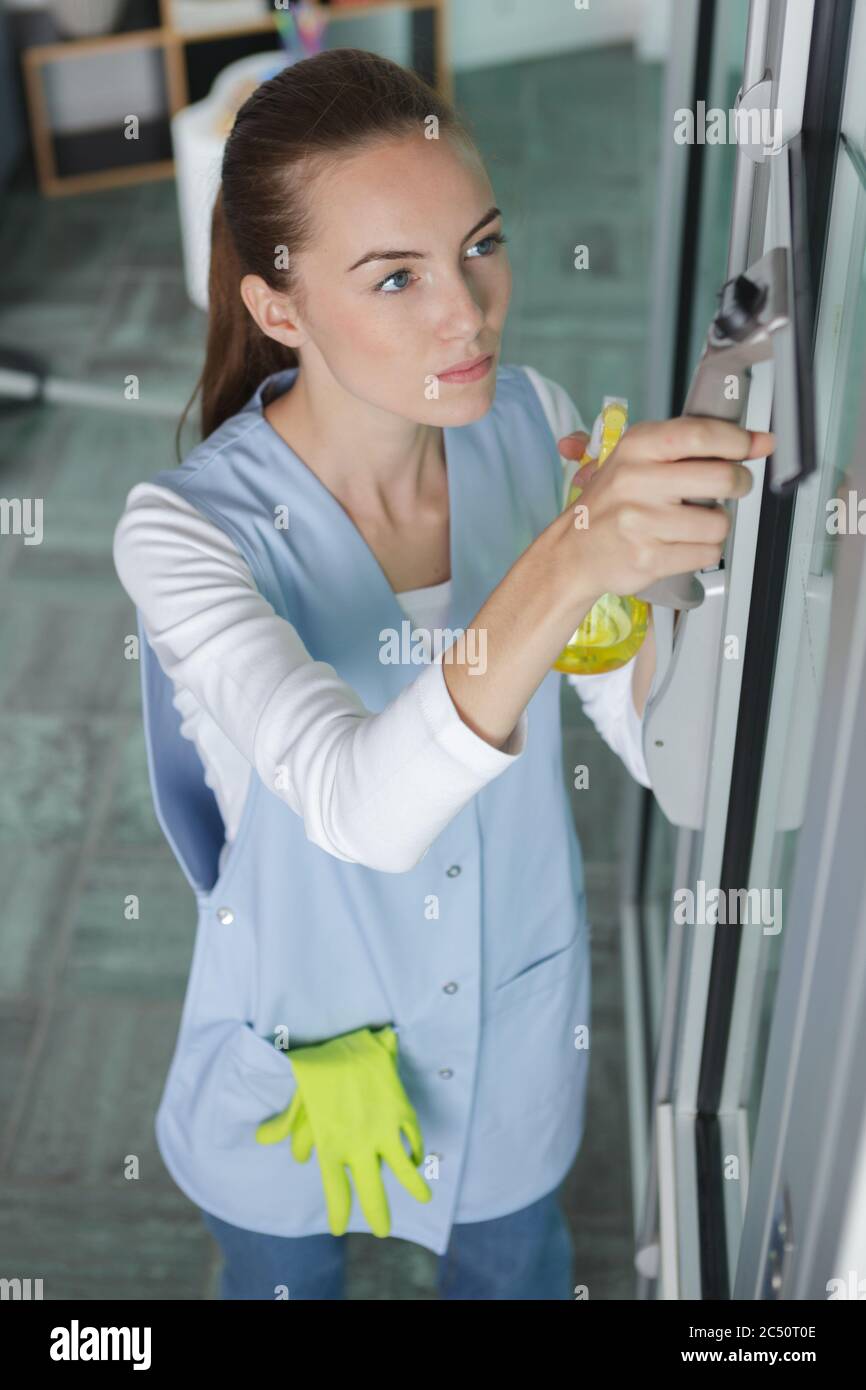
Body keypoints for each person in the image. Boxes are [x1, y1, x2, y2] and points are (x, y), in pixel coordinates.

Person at [112, 48, 770, 1301]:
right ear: (279, 309)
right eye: (396, 276)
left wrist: (720, 586)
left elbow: (651, 742)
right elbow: (358, 801)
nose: (465, 313)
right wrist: (576, 553)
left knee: (513, 1275)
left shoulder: (534, 422)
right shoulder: (183, 532)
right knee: (275, 1280)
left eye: (479, 244)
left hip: (510, 1022)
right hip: (288, 1050)